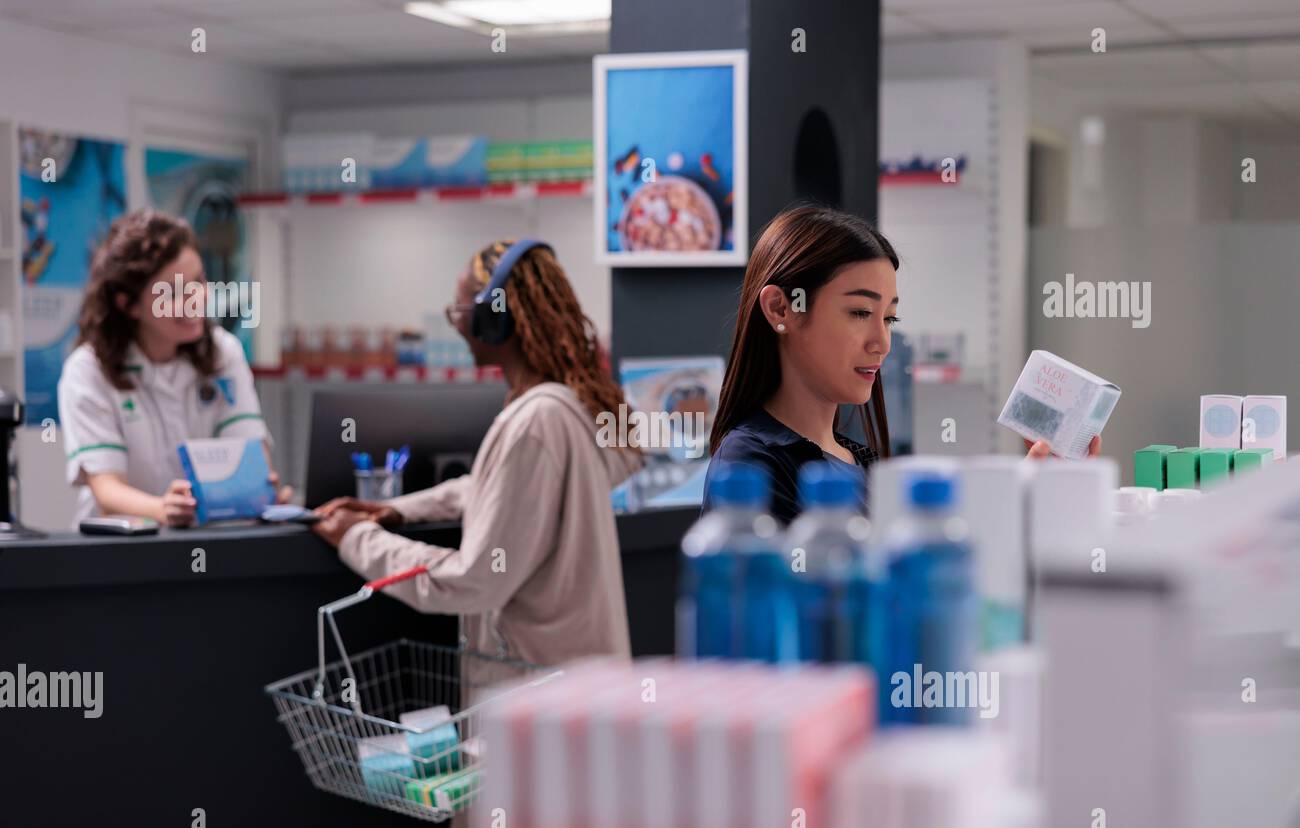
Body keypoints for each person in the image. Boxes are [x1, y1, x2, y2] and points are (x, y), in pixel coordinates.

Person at [312, 238, 641, 673]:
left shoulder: (535, 421)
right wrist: (398, 510)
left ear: (494, 317)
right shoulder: (571, 406)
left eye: (461, 310)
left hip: (536, 706)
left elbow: (472, 581)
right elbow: (503, 491)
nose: (457, 325)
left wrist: (358, 540)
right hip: (574, 693)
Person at [703, 204, 1098, 524]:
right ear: (781, 309)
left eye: (889, 318)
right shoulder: (749, 467)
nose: (882, 343)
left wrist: (1033, 493)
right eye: (859, 312)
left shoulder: (861, 463)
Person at [59, 209, 289, 526]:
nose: (196, 299)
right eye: (176, 293)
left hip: (206, 541)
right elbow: (107, 490)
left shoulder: (223, 352)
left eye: (198, 281)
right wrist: (161, 509)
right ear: (129, 304)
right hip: (120, 550)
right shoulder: (88, 370)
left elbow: (250, 450)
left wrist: (258, 490)